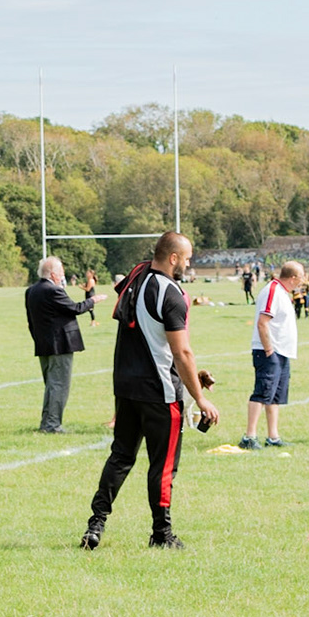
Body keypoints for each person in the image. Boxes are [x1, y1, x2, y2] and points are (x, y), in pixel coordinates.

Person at [80, 233, 216, 552]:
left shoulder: (136, 276)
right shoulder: (172, 293)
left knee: (121, 457)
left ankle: (95, 523)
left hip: (126, 387)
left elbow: (148, 337)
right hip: (160, 393)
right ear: (172, 258)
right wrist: (200, 397)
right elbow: (180, 352)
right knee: (163, 465)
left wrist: (193, 379)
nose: (188, 264)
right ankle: (161, 534)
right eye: (187, 258)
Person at [25, 256, 102, 433]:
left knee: (51, 385)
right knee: (59, 384)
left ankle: (47, 422)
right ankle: (52, 425)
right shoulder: (53, 290)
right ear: (52, 274)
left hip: (43, 343)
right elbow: (75, 308)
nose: (61, 276)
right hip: (60, 344)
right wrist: (93, 300)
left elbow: (31, 320)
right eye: (60, 273)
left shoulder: (31, 290)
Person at [242, 261, 305, 449]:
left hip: (282, 352)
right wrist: (269, 349)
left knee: (275, 395)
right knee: (262, 391)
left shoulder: (283, 293)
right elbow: (263, 322)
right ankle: (249, 436)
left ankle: (273, 436)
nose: (303, 280)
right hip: (270, 351)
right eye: (301, 277)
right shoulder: (273, 291)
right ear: (293, 278)